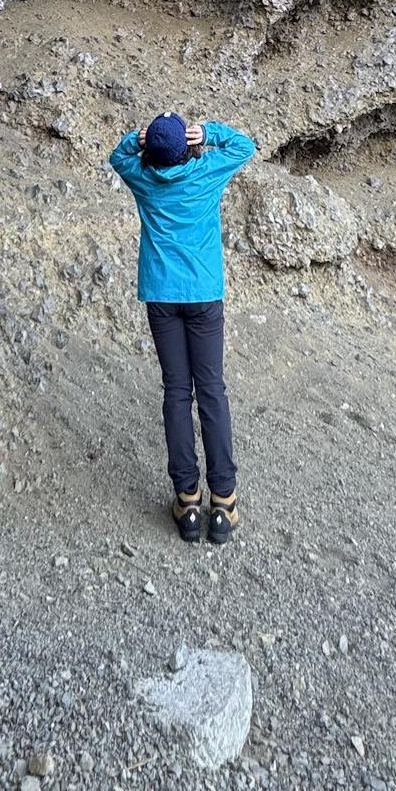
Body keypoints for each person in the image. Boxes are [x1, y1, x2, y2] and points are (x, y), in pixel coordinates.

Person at [109, 110, 256, 544]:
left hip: (161, 297)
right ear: (188, 147)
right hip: (204, 296)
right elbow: (243, 145)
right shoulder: (207, 171)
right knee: (211, 389)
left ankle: (188, 501)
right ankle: (223, 503)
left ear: (152, 153)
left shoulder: (143, 178)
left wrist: (138, 140)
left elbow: (118, 157)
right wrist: (209, 132)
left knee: (176, 390)